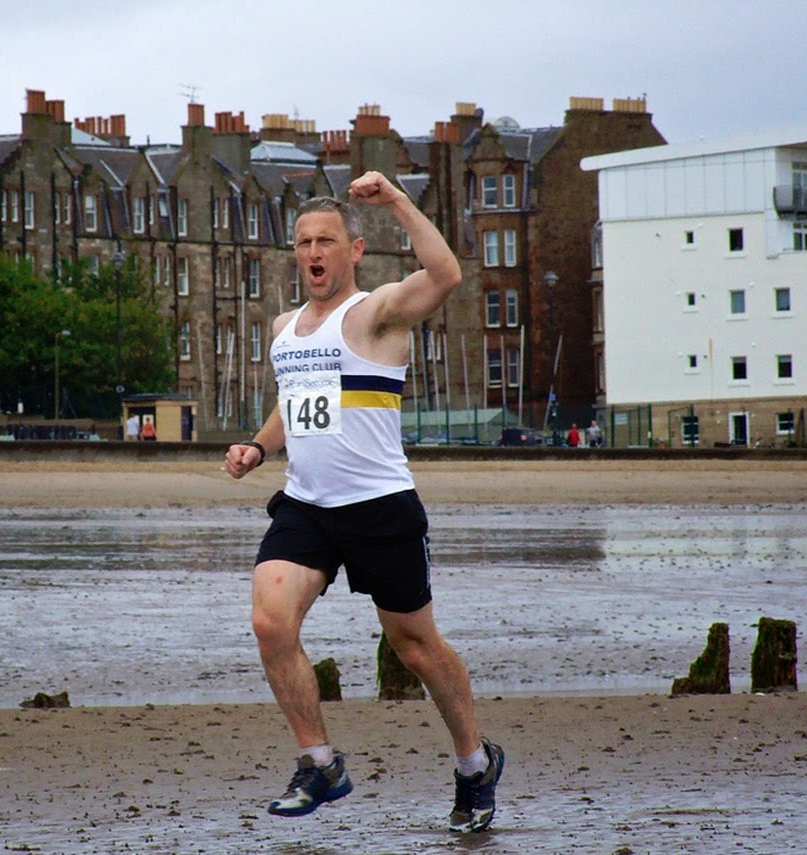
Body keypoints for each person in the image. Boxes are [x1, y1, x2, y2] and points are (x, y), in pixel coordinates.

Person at [224, 171, 504, 834]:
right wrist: (258, 448)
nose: (314, 251)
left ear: (352, 250)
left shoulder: (377, 312)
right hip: (308, 505)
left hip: (379, 503)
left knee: (415, 646)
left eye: (326, 240)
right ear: (295, 254)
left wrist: (398, 201)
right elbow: (295, 405)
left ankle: (474, 763)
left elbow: (446, 273)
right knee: (270, 623)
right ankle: (319, 761)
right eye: (303, 242)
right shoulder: (285, 328)